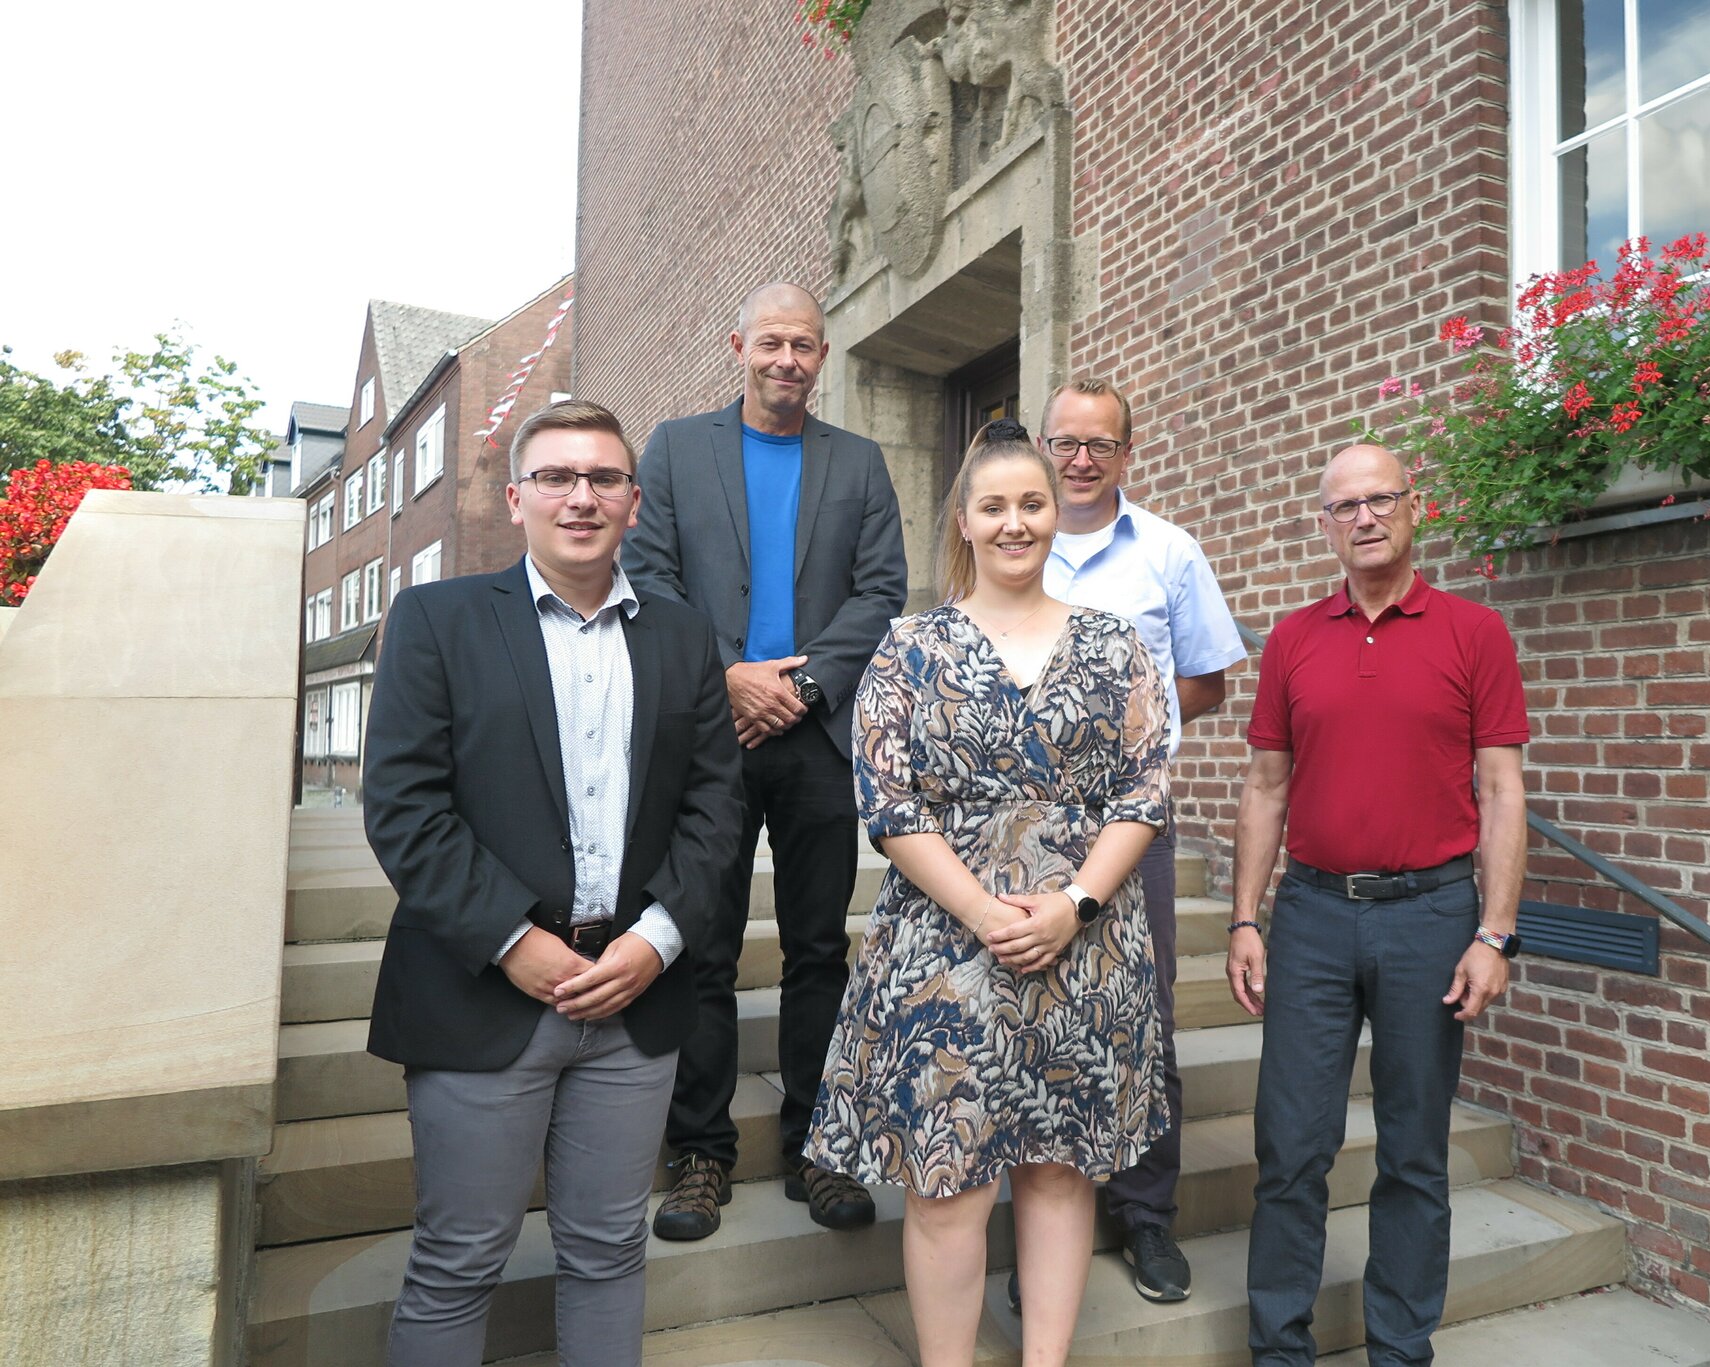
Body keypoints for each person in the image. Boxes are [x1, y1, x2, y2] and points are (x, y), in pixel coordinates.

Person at [362, 399, 744, 1367]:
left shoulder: (684, 637)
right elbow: (406, 807)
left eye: (603, 477)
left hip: (634, 998)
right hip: (480, 994)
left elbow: (715, 809)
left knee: (610, 1249)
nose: (582, 496)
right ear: (517, 496)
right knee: (458, 1257)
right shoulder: (436, 619)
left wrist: (653, 941)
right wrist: (513, 940)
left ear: (633, 500)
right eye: (559, 477)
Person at [804, 419, 1172, 1367]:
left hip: (1085, 944)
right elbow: (887, 801)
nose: (1016, 523)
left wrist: (1074, 905)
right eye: (994, 506)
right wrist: (982, 911)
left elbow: (1143, 789)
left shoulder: (1115, 645)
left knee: (1059, 1170)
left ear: (1059, 516)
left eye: (1033, 504)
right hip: (945, 947)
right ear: (962, 521)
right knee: (948, 1179)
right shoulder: (908, 646)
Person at [1228, 443, 1529, 1367]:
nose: (1363, 517)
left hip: (1431, 916)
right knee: (1291, 1148)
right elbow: (1266, 787)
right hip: (1312, 916)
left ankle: (1401, 1350)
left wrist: (1495, 932)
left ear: (1414, 508)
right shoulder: (1292, 638)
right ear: (1324, 522)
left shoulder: (1473, 632)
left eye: (1380, 499)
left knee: (1413, 1152)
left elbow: (1503, 790)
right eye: (1343, 505)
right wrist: (1245, 917)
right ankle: (1280, 1349)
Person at [622, 282, 908, 1240]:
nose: (788, 359)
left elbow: (881, 593)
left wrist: (804, 688)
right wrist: (730, 678)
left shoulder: (861, 465)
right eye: (772, 342)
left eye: (806, 346)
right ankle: (699, 1153)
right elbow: (651, 577)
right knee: (698, 943)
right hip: (711, 738)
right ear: (738, 343)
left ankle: (819, 1144)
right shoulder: (675, 450)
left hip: (819, 741)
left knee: (818, 947)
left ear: (824, 357)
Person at [1029, 375, 1246, 1303]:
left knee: (1142, 1018)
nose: (1080, 461)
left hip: (1132, 821)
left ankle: (1144, 1214)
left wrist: (1133, 732)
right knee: (1032, 1016)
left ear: (1129, 451)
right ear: (1043, 444)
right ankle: (1040, 1226)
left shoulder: (1168, 551)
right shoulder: (1009, 535)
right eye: (1065, 442)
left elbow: (1206, 680)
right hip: (1022, 827)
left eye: (1100, 445)